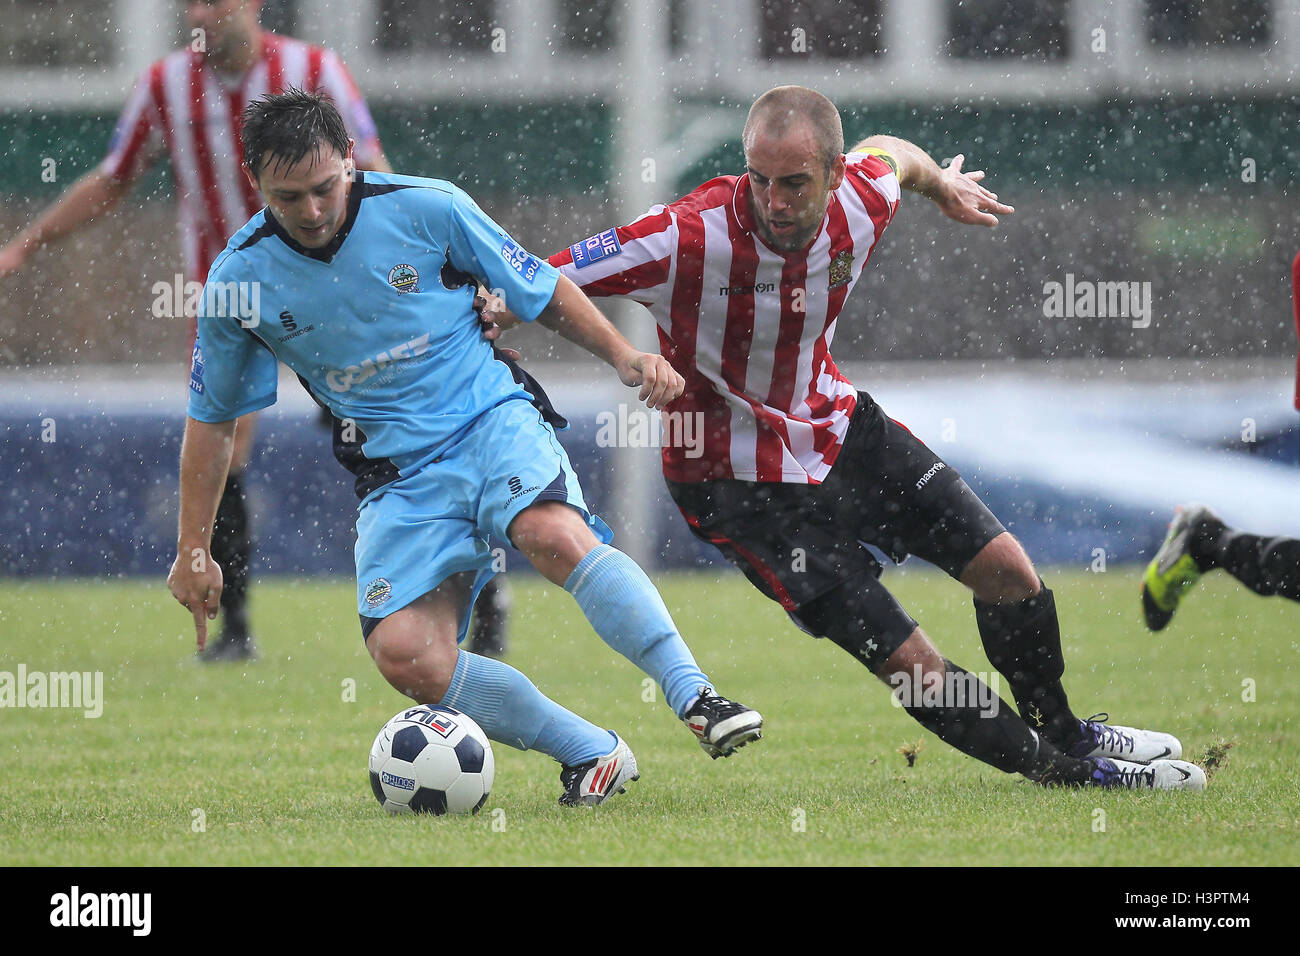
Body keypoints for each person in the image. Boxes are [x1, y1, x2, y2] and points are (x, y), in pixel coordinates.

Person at [488, 85, 1206, 791]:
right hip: (738, 490)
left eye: (794, 183)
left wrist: (942, 186)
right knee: (913, 665)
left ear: (833, 175)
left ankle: (1066, 731)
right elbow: (539, 279)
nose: (773, 201)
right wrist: (492, 324)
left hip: (840, 432)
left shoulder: (864, 196)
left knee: (1009, 572)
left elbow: (894, 154)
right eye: (760, 180)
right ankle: (1074, 776)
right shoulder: (686, 232)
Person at [167, 89, 763, 806]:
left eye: (326, 188)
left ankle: (698, 697)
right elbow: (211, 420)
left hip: (489, 419)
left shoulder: (429, 207)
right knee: (405, 653)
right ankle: (592, 754)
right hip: (396, 476)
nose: (315, 211)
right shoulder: (239, 278)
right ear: (255, 181)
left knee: (548, 532)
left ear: (351, 160)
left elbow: (540, 289)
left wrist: (622, 355)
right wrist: (193, 548)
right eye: (290, 197)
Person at [0, 0, 394, 661]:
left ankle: (477, 604)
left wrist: (415, 264)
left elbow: (373, 167)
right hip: (233, 298)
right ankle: (233, 630)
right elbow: (112, 178)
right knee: (224, 448)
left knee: (404, 425)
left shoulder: (314, 68)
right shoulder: (164, 85)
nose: (202, 10)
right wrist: (30, 242)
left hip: (331, 288)